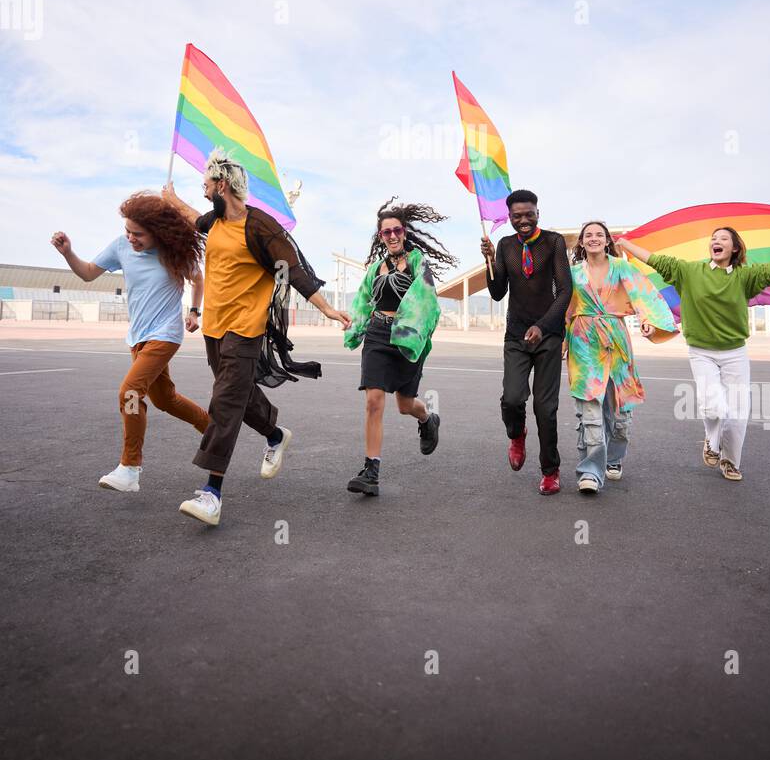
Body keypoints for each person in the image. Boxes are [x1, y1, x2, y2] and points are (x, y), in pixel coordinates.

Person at [163, 148, 350, 526]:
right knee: (240, 395)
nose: (203, 192)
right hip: (214, 328)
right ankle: (276, 433)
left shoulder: (259, 226)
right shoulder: (214, 222)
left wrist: (326, 308)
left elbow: (293, 269)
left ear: (224, 185)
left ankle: (211, 493)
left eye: (206, 184)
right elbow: (191, 217)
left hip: (246, 329)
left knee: (224, 401)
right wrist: (170, 200)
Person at [617, 222, 770, 481]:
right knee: (713, 407)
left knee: (737, 413)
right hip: (701, 351)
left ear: (734, 248)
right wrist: (625, 244)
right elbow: (655, 260)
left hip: (734, 352)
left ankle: (730, 461)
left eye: (723, 238)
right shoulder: (689, 271)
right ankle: (712, 443)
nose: (717, 241)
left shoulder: (746, 276)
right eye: (714, 238)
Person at [50, 194, 210, 492]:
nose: (131, 238)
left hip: (165, 334)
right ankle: (212, 429)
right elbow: (87, 274)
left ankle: (130, 469)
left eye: (139, 234)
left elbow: (198, 279)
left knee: (130, 393)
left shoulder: (174, 251)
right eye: (128, 231)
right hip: (137, 336)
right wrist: (68, 253)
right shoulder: (121, 246)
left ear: (158, 232)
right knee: (165, 399)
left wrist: (194, 311)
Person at [343, 199, 458, 498]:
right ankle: (371, 471)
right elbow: (362, 302)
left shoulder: (418, 262)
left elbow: (428, 300)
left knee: (405, 404)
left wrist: (414, 329)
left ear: (404, 233)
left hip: (407, 338)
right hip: (378, 336)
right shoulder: (375, 269)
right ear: (380, 237)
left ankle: (427, 419)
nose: (392, 236)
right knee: (374, 401)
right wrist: (354, 324)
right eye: (386, 232)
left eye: (396, 230)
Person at [564, 221, 677, 495]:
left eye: (598, 235)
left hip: (616, 342)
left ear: (606, 241)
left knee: (620, 415)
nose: (593, 238)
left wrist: (649, 322)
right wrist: (560, 339)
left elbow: (645, 296)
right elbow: (564, 309)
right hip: (583, 342)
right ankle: (590, 472)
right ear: (581, 242)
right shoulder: (572, 273)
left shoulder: (623, 268)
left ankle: (613, 458)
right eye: (588, 235)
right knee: (590, 411)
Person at [482, 189, 571, 495]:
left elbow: (565, 291)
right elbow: (497, 292)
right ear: (509, 217)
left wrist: (543, 326)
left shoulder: (554, 242)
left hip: (548, 334)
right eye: (517, 216)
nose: (523, 220)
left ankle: (550, 470)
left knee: (545, 409)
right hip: (516, 334)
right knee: (512, 398)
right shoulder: (506, 245)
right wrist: (489, 262)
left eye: (528, 214)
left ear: (537, 213)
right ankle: (517, 434)